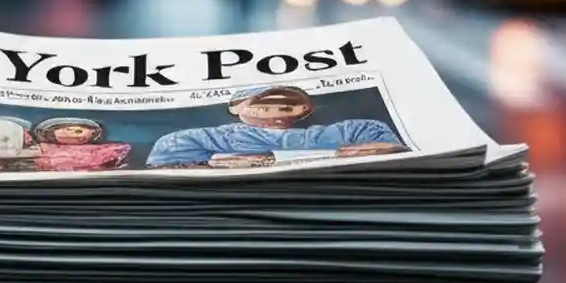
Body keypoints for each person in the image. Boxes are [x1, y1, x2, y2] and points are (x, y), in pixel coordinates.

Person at [146, 86, 406, 168]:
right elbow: (171, 151)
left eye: (290, 107)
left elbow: (378, 137)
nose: (276, 113)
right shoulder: (211, 138)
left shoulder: (328, 134)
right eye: (264, 104)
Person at [27, 117, 129, 171]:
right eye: (77, 132)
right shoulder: (42, 148)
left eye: (82, 138)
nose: (77, 138)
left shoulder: (97, 150)